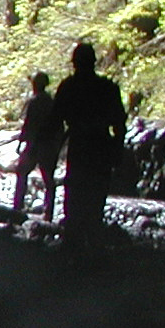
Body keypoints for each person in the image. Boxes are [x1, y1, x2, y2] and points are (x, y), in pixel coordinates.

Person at [49, 41, 126, 240]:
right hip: (100, 146)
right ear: (94, 62)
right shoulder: (108, 88)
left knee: (76, 195)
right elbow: (119, 124)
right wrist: (117, 151)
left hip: (80, 146)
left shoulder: (68, 87)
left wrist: (50, 151)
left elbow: (54, 121)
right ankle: (92, 240)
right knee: (96, 197)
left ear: (75, 63)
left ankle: (73, 241)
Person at [11, 70, 59, 218]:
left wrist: (22, 141)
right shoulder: (51, 101)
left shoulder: (34, 101)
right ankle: (49, 212)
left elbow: (28, 124)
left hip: (35, 145)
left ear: (35, 84)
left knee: (21, 172)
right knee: (48, 179)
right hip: (49, 145)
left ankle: (17, 208)